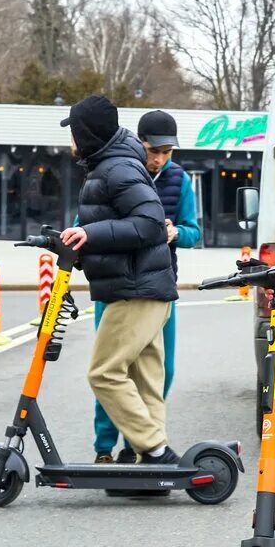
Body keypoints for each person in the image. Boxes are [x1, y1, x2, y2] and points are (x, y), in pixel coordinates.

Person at [57, 94, 180, 473]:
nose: (71, 142)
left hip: (136, 291)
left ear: (87, 134)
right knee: (146, 380)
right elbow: (118, 227)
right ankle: (153, 466)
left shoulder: (116, 169)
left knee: (104, 372)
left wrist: (90, 234)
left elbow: (148, 223)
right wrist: (79, 243)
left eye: (74, 133)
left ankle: (156, 450)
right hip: (146, 288)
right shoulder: (113, 164)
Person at [92, 110, 202, 464]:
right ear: (138, 141)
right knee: (112, 367)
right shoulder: (118, 173)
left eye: (167, 152)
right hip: (117, 284)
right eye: (153, 150)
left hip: (158, 284)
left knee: (160, 371)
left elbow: (194, 231)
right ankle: (104, 449)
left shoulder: (179, 179)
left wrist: (176, 233)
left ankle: (140, 445)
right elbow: (87, 220)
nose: (159, 159)